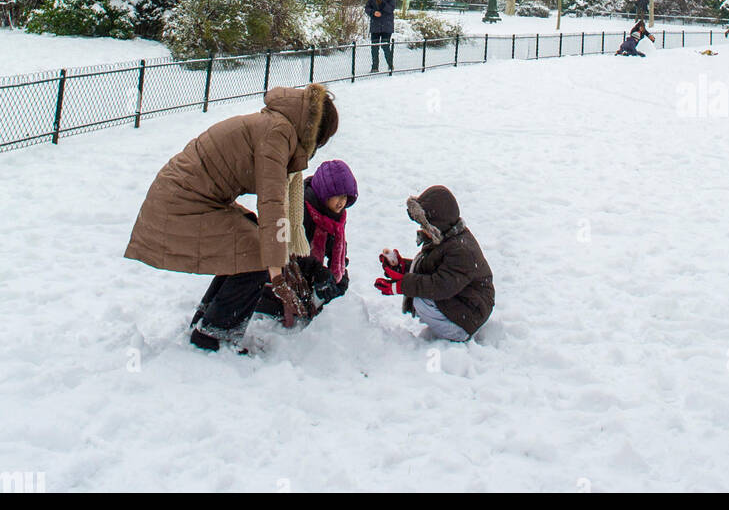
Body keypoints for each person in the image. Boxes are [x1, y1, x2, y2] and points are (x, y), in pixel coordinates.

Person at [124, 84, 339, 352]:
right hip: (181, 202)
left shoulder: (276, 125)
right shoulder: (277, 134)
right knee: (257, 252)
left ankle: (208, 319)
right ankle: (215, 334)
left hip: (191, 197)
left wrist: (279, 253)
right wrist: (274, 266)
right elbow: (272, 202)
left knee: (250, 238)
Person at [374, 186, 494, 343]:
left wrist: (401, 285)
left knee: (422, 301)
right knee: (423, 292)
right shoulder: (446, 237)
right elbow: (432, 268)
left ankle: (456, 334)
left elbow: (439, 285)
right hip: (462, 299)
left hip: (472, 312)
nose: (423, 229)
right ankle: (449, 322)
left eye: (426, 225)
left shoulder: (461, 250)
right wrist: (401, 267)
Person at [252, 158, 357, 325]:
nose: (341, 202)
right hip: (284, 268)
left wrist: (340, 273)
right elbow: (289, 252)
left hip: (308, 269)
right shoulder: (301, 211)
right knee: (278, 301)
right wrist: (318, 271)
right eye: (337, 196)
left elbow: (337, 250)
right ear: (325, 193)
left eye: (345, 196)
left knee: (335, 287)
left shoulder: (335, 219)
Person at [365, 0, 396, 73]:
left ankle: (390, 65)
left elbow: (391, 9)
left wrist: (381, 3)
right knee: (374, 47)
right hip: (375, 24)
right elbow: (367, 8)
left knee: (385, 46)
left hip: (386, 25)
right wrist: (373, 12)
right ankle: (374, 67)